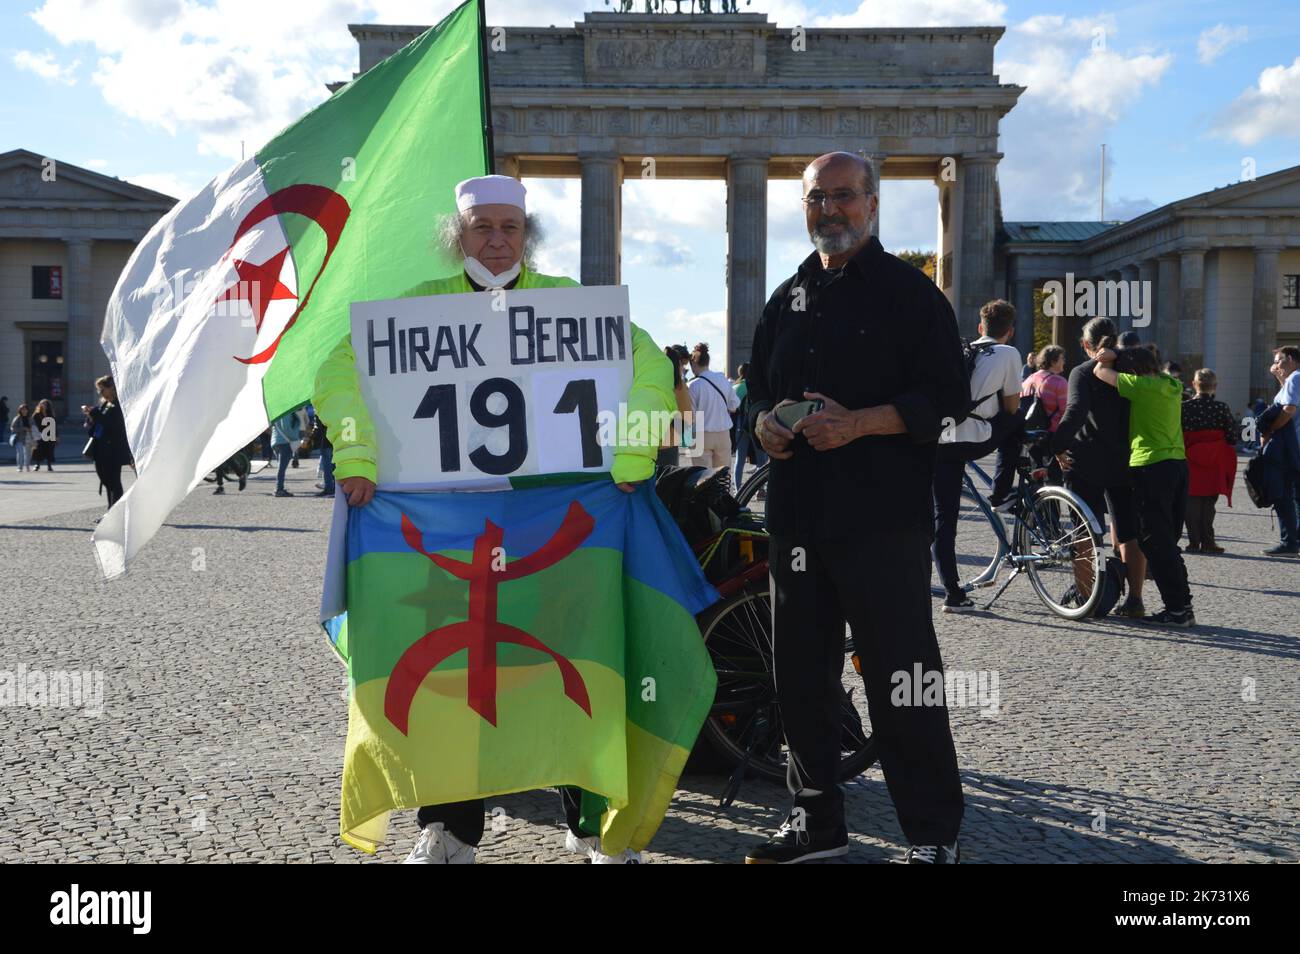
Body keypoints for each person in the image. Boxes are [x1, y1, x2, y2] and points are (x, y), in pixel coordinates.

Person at [313, 173, 674, 864]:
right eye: (483, 227)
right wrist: (355, 448)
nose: (497, 240)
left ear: (526, 234)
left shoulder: (573, 304)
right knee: (456, 682)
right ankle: (448, 829)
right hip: (449, 529)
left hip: (559, 524)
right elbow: (338, 373)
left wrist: (635, 441)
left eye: (510, 227)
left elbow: (651, 367)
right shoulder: (412, 310)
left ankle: (592, 819)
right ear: (460, 235)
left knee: (575, 661)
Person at [746, 151, 967, 864]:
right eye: (817, 199)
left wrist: (860, 422)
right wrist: (763, 424)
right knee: (800, 682)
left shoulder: (912, 295)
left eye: (843, 197)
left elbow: (948, 400)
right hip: (797, 521)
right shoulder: (785, 299)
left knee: (902, 679)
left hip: (882, 524)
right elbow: (754, 393)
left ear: (872, 205)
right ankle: (818, 823)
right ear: (803, 207)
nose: (829, 210)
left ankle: (932, 837)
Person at [1092, 340, 1194, 627]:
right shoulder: (1171, 385)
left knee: (1154, 542)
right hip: (1178, 465)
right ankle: (1183, 605)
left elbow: (1100, 370)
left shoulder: (1139, 387)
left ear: (1134, 370)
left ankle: (1176, 611)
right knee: (1168, 542)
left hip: (1151, 467)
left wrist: (1109, 356)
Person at [931, 299, 1022, 612]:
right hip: (977, 439)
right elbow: (1010, 407)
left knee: (944, 518)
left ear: (981, 327)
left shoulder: (961, 349)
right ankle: (1000, 492)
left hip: (942, 440)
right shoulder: (1009, 353)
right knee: (1018, 421)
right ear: (1009, 331)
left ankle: (952, 593)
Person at [1051, 318, 1146, 617]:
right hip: (1127, 458)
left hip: (1086, 460)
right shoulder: (1132, 369)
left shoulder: (1081, 372)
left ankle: (1086, 596)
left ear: (1085, 344)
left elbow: (1075, 413)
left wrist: (1053, 446)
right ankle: (1135, 600)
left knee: (1085, 533)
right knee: (1130, 532)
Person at [1180, 369, 1237, 554]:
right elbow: (1232, 436)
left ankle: (1193, 541)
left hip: (1190, 459)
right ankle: (1208, 541)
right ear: (1215, 386)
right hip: (1214, 461)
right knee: (1209, 503)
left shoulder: (1184, 407)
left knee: (1191, 502)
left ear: (1194, 384)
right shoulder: (1221, 408)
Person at [1260, 346, 1300, 556]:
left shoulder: (1296, 377)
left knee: (1283, 493)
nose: (1276, 365)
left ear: (1291, 359)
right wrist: (1279, 378)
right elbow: (1289, 397)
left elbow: (1289, 408)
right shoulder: (1294, 380)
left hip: (1290, 446)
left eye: (1279, 360)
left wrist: (1271, 428)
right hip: (1294, 446)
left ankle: (1290, 542)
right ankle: (1294, 539)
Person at [686, 343, 739, 469]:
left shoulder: (692, 385)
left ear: (693, 363)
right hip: (723, 432)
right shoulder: (722, 379)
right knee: (722, 477)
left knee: (701, 478)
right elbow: (734, 405)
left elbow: (690, 416)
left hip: (700, 434)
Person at [82, 376, 132, 509]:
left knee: (114, 482)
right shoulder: (105, 404)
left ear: (111, 388)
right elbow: (100, 422)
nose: (100, 393)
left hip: (113, 449)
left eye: (102, 389)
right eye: (99, 390)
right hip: (100, 448)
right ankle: (111, 510)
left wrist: (95, 414)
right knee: (106, 481)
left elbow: (113, 425)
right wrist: (91, 417)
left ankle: (115, 512)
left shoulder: (118, 405)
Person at [656, 345, 694, 468]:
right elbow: (687, 415)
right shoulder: (679, 385)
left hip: (646, 440)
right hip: (669, 442)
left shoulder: (651, 381)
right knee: (667, 482)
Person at [732, 362, 767, 491]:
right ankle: (760, 489)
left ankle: (738, 489)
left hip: (741, 426)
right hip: (755, 424)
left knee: (739, 460)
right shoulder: (755, 386)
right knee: (761, 459)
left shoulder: (735, 387)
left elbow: (732, 408)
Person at [1021, 345, 1069, 432]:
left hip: (1029, 432)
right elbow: (1066, 412)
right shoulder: (1059, 382)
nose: (1064, 362)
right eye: (1062, 359)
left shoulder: (1029, 379)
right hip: (1052, 434)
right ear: (1053, 361)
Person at [270, 411, 300, 497]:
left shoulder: (277, 411)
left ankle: (279, 488)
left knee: (281, 467)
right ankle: (279, 489)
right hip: (284, 442)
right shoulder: (286, 412)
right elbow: (286, 428)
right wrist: (295, 438)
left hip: (276, 441)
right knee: (282, 468)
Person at [30, 399, 58, 471]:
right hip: (40, 435)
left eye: (45, 404)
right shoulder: (36, 414)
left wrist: (57, 436)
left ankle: (49, 465)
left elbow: (54, 426)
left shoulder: (50, 414)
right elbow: (33, 425)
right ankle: (37, 464)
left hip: (50, 435)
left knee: (49, 450)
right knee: (39, 450)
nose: (43, 405)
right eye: (42, 404)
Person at [9, 402, 33, 472]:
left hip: (28, 437)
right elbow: (12, 428)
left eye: (25, 409)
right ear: (20, 410)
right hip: (19, 438)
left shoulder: (30, 418)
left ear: (28, 410)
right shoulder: (17, 418)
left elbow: (34, 427)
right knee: (20, 453)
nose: (24, 411)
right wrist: (23, 428)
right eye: (22, 409)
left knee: (28, 453)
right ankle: (20, 467)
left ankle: (27, 466)